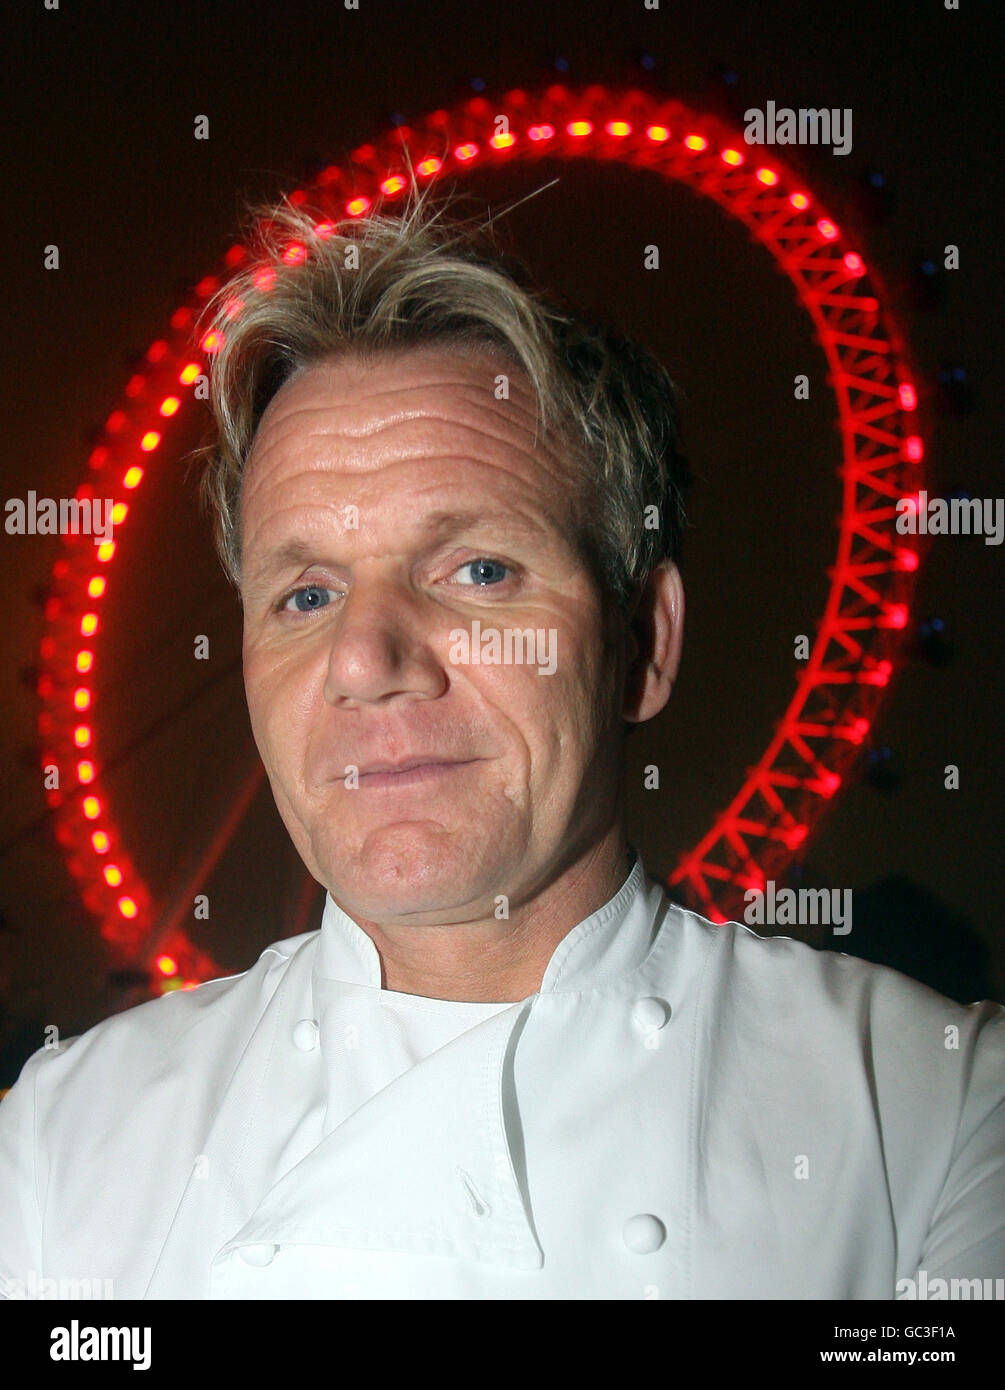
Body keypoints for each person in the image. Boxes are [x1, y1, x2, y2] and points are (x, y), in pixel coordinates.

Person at [0, 185, 1001, 1301]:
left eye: (477, 571)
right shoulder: (56, 1142)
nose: (366, 658)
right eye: (307, 593)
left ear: (642, 646)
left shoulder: (938, 1114)